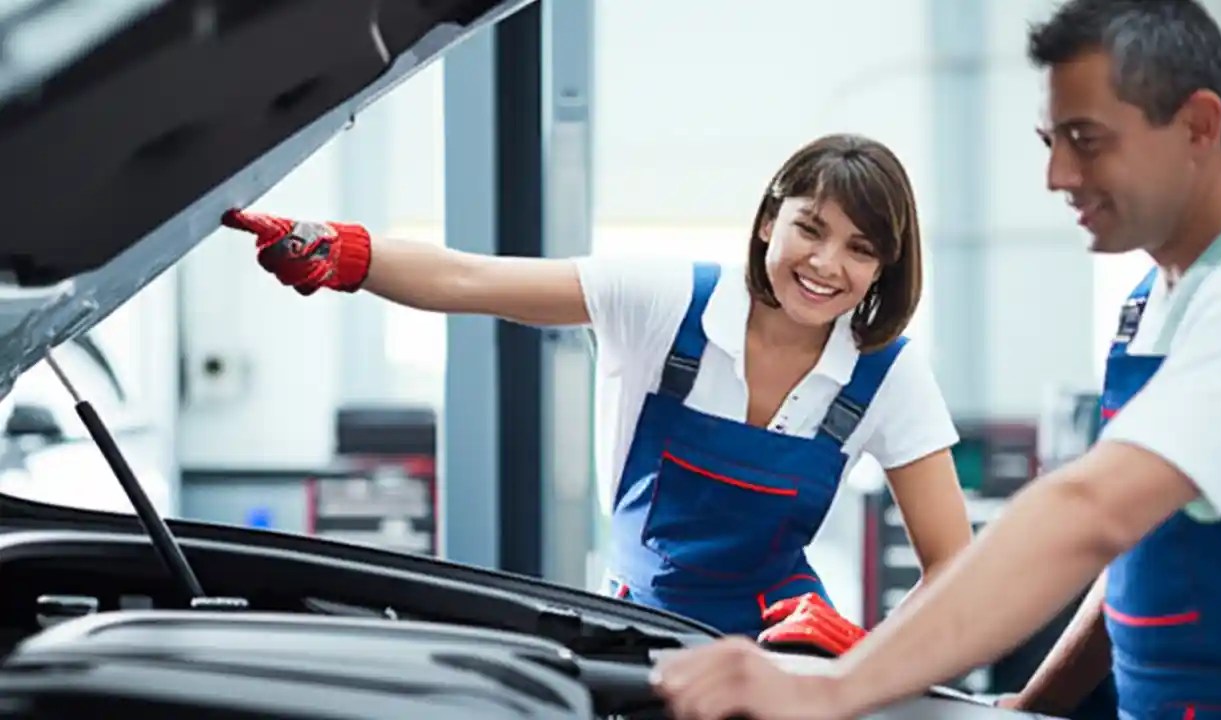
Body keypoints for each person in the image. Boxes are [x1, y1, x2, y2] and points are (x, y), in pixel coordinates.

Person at [649, 1, 1221, 718]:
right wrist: (1033, 705)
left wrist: (832, 687)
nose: (1056, 175)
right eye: (1049, 141)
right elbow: (1134, 541)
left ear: (1198, 126)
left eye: (1085, 139)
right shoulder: (1152, 305)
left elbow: (1090, 511)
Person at [220, 133, 974, 653]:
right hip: (632, 639)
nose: (826, 264)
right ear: (769, 220)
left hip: (784, 663)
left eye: (860, 249)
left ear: (884, 268)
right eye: (811, 229)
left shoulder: (888, 374)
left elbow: (955, 567)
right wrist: (346, 254)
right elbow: (472, 278)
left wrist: (868, 655)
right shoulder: (669, 303)